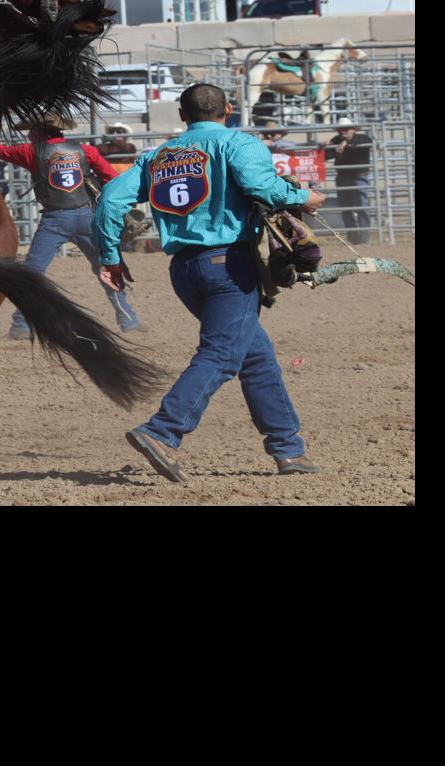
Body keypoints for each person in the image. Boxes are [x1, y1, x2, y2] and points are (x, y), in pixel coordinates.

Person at [94, 83, 326, 482]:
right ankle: (163, 431)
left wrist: (110, 256)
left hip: (184, 270)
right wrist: (302, 196)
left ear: (182, 116)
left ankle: (288, 450)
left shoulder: (157, 156)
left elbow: (111, 199)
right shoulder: (238, 143)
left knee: (255, 356)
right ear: (229, 110)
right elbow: (261, 187)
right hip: (230, 265)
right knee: (222, 354)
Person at [0, 111, 140, 338]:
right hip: (87, 216)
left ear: (38, 132)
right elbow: (111, 177)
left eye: (31, 131)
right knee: (107, 267)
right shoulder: (85, 150)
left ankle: (22, 325)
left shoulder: (30, 151)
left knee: (32, 273)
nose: (29, 134)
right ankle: (128, 321)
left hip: (54, 219)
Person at [321, 120, 371, 244]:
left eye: (346, 129)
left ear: (353, 129)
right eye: (340, 129)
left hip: (358, 176)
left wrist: (347, 143)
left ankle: (364, 238)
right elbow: (327, 155)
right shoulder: (336, 140)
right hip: (343, 176)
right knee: (346, 208)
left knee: (362, 207)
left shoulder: (362, 137)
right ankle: (354, 238)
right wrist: (325, 147)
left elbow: (367, 142)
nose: (342, 131)